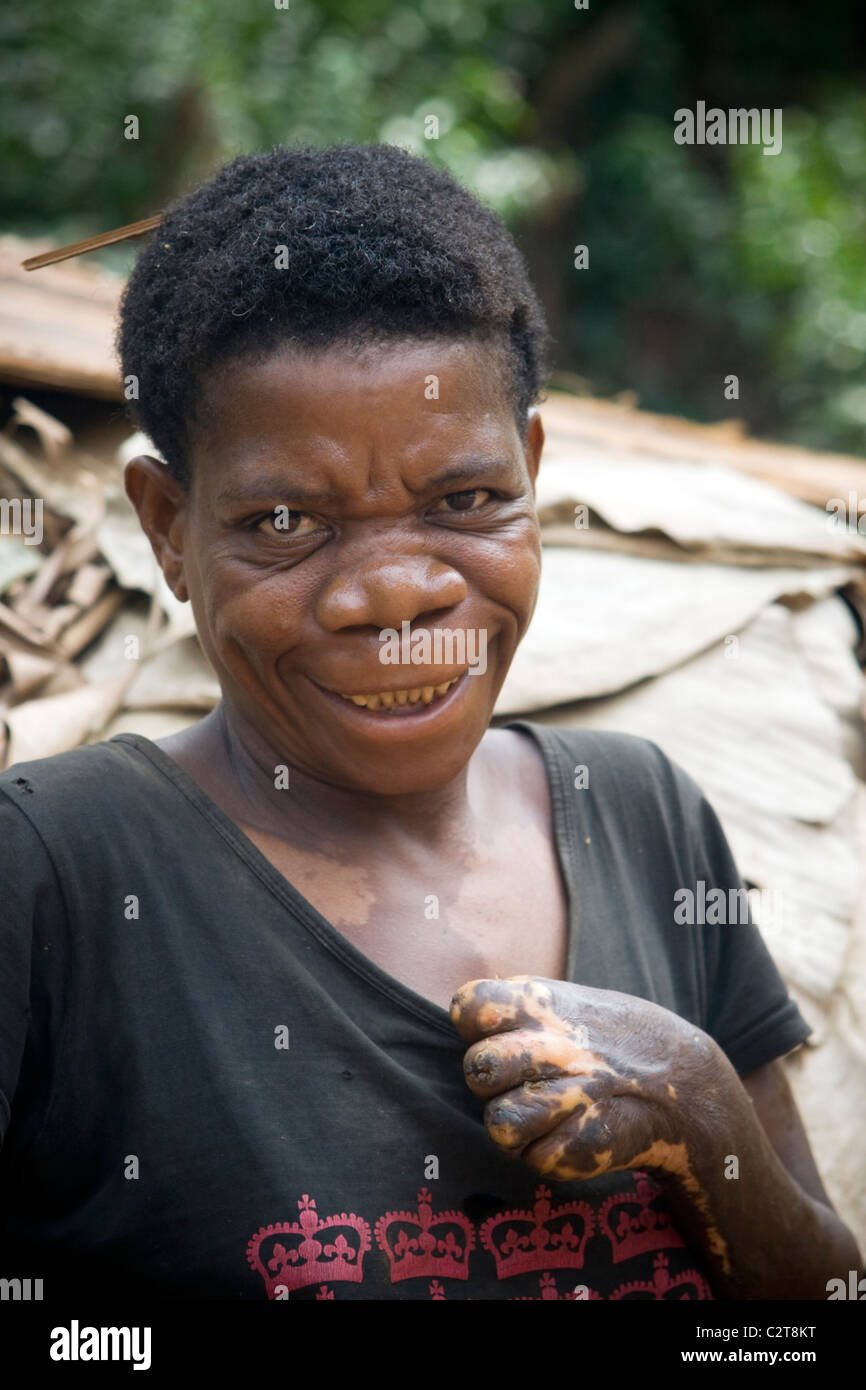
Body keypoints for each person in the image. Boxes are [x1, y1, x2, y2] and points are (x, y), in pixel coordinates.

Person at [0, 144, 860, 1302]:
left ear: (533, 471)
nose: (394, 594)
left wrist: (700, 1107)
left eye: (463, 500)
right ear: (166, 527)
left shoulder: (643, 810)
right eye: (287, 518)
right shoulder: (54, 874)